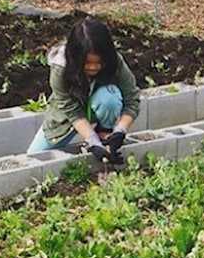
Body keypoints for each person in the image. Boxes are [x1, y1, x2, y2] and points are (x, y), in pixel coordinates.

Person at [26, 17, 140, 164]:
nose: (93, 67)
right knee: (34, 157)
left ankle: (104, 133)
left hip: (100, 106)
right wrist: (92, 140)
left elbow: (132, 98)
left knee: (109, 97)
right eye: (87, 63)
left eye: (99, 62)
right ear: (76, 58)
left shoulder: (114, 61)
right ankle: (97, 138)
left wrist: (120, 131)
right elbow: (70, 109)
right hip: (67, 118)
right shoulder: (61, 68)